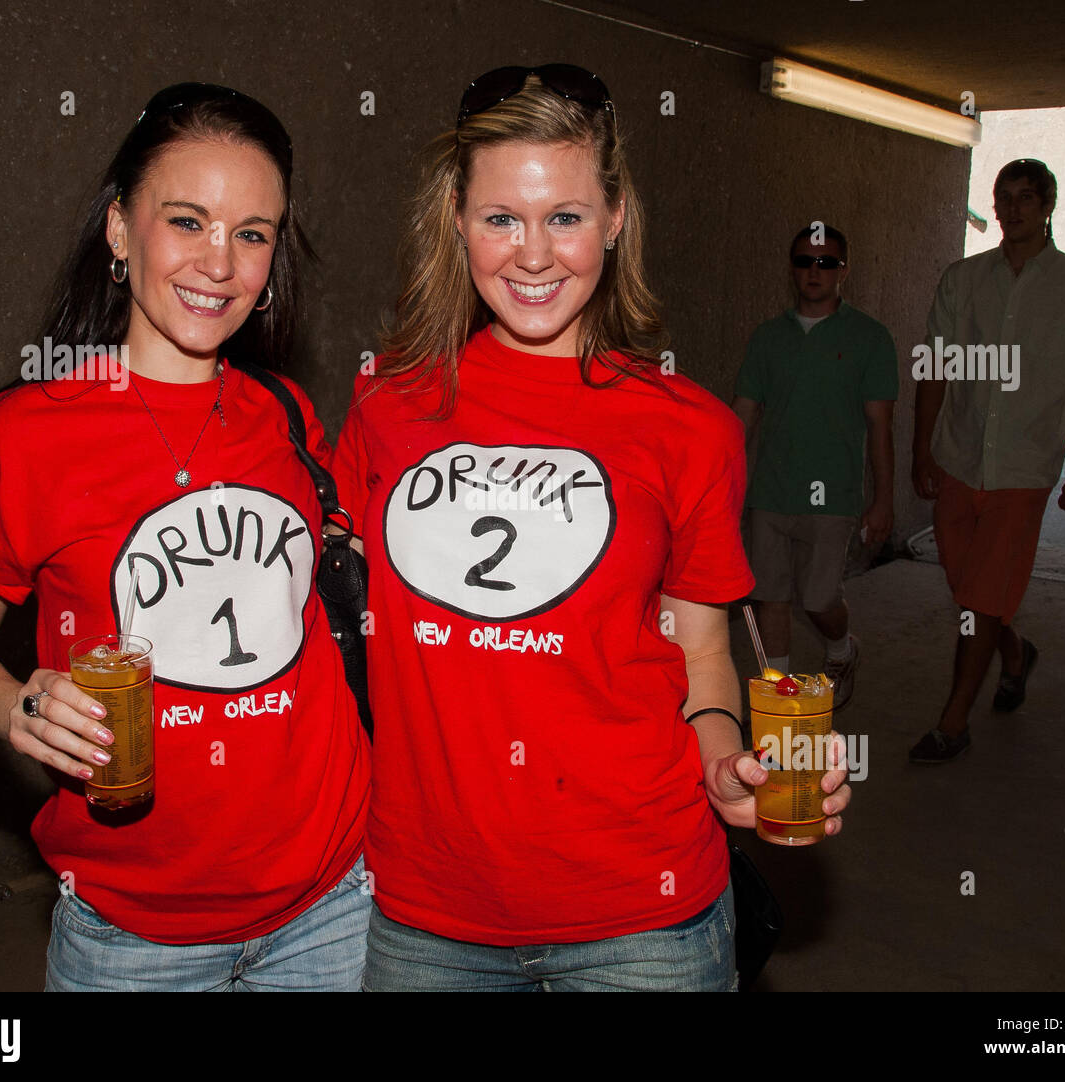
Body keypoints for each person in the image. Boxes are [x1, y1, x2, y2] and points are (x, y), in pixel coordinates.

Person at [331, 64, 852, 991]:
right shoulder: (386, 406)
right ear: (457, 218)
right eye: (502, 218)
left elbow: (699, 656)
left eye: (565, 217)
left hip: (642, 915)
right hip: (427, 911)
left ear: (615, 217)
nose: (533, 254)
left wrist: (729, 762)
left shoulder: (690, 428)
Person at [0, 83, 370, 989]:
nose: (219, 262)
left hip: (334, 904)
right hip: (133, 935)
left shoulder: (283, 414)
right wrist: (19, 706)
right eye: (187, 221)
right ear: (121, 231)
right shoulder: (20, 437)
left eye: (252, 234)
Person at [909, 158, 1065, 763]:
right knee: (970, 589)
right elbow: (936, 368)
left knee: (976, 604)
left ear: (1048, 205)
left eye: (1028, 197)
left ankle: (953, 722)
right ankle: (1015, 650)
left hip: (1023, 473)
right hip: (958, 460)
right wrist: (923, 448)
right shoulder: (963, 279)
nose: (1015, 207)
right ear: (994, 206)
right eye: (1006, 197)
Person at [733, 224, 897, 709]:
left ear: (844, 270)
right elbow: (741, 417)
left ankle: (842, 650)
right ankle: (780, 699)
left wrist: (882, 500)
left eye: (826, 263)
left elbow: (880, 428)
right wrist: (715, 485)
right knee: (771, 597)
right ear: (792, 268)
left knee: (818, 599)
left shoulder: (870, 338)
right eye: (805, 261)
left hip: (834, 496)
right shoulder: (768, 338)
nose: (814, 271)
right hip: (770, 492)